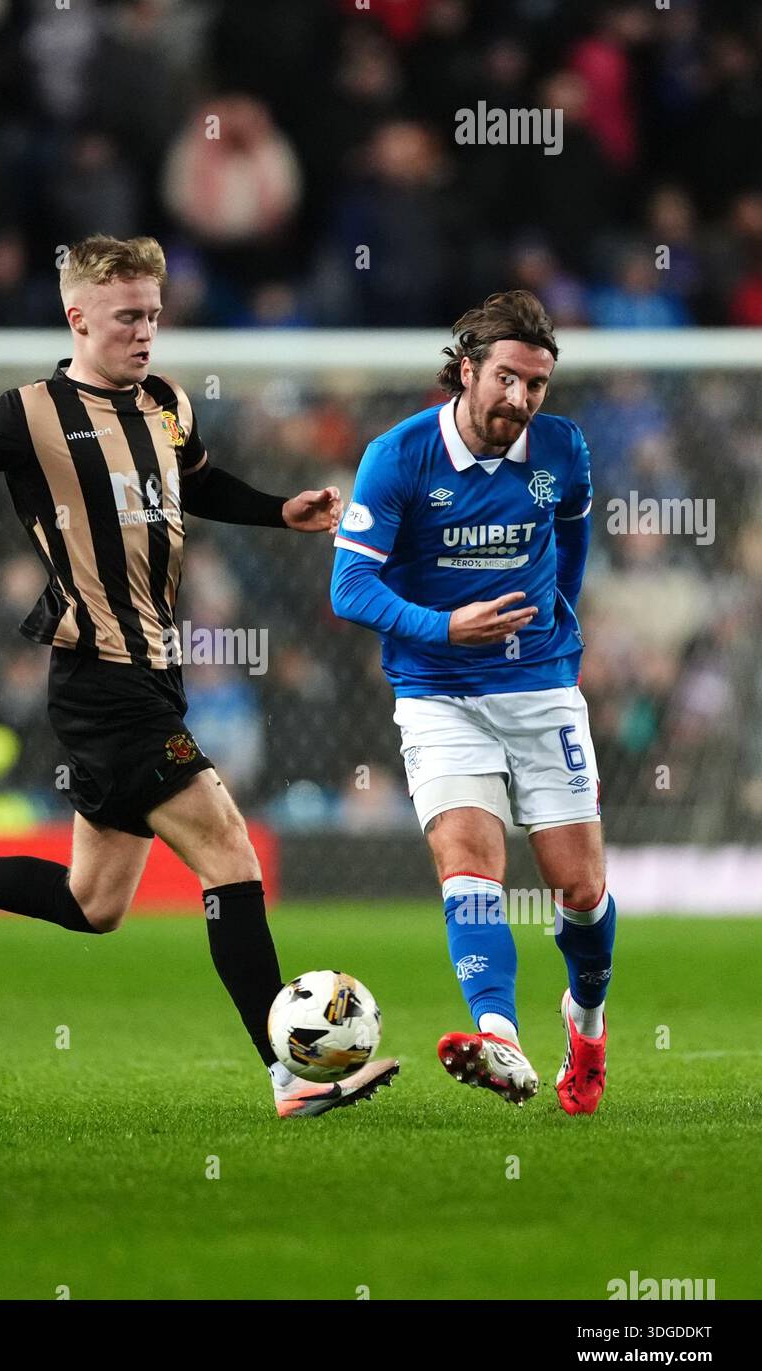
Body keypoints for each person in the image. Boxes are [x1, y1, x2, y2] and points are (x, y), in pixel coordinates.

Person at [0, 233, 398, 1120]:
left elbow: (198, 486)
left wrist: (279, 512)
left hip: (157, 676)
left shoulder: (167, 404)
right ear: (76, 316)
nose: (145, 335)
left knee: (93, 903)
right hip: (100, 676)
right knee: (231, 852)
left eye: (154, 317)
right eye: (128, 318)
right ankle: (289, 1077)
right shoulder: (28, 413)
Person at [330, 290, 613, 1116]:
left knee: (579, 890)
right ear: (466, 370)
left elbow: (572, 534)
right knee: (467, 865)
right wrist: (443, 627)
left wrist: (559, 618)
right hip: (438, 693)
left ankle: (585, 1023)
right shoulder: (399, 455)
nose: (521, 400)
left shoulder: (562, 449)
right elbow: (349, 585)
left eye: (537, 385)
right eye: (507, 379)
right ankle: (503, 1039)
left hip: (541, 691)